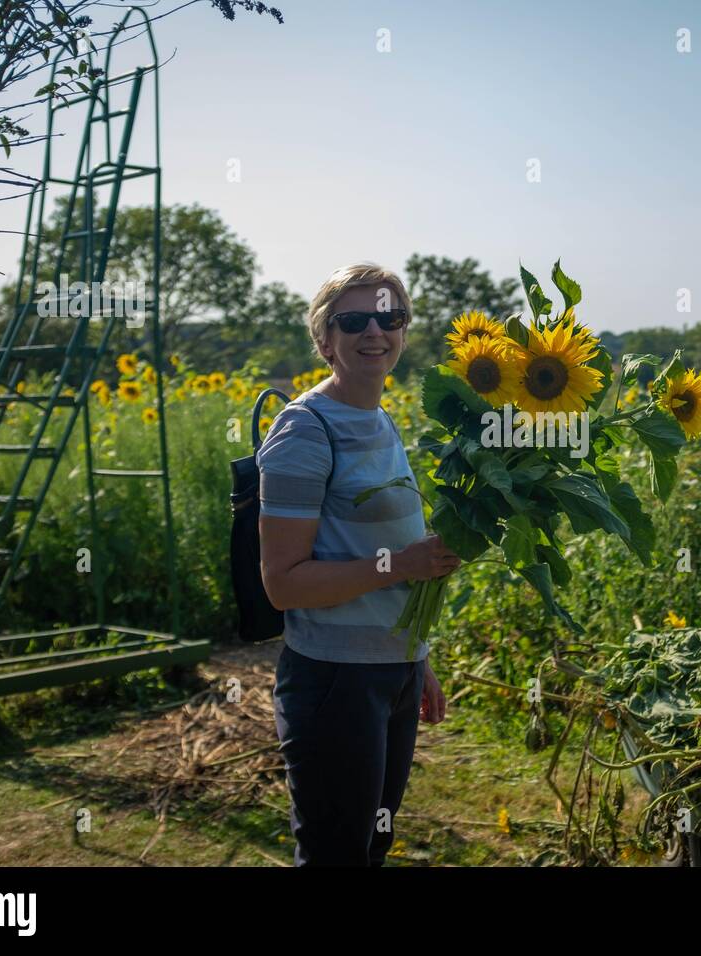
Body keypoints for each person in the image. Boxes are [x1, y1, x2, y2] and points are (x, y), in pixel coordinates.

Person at [258, 262, 460, 866]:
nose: (375, 330)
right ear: (324, 341)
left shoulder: (381, 418)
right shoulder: (305, 431)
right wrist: (403, 563)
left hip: (389, 675)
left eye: (389, 316)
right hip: (333, 682)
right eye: (354, 320)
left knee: (371, 844)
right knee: (336, 854)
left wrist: (415, 659)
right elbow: (283, 585)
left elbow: (398, 563)